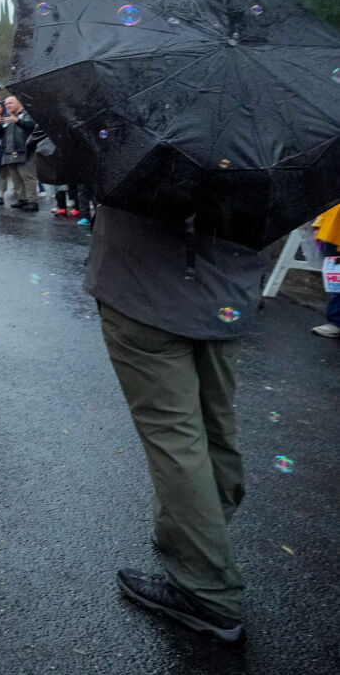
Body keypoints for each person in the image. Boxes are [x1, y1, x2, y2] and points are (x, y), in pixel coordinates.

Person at [86, 205, 269, 644]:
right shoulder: (267, 141)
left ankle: (207, 589)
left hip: (145, 289)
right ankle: (202, 530)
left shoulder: (150, 134)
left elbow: (56, 162)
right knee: (214, 424)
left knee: (174, 439)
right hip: (227, 291)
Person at [0, 96, 39, 211]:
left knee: (27, 175)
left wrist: (18, 121)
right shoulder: (7, 117)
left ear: (19, 103)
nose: (7, 105)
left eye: (10, 103)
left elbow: (33, 128)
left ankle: (32, 201)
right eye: (6, 104)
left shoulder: (27, 114)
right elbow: (0, 134)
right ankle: (22, 198)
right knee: (16, 176)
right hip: (12, 151)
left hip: (25, 150)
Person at [312, 203, 340, 338]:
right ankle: (336, 321)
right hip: (332, 232)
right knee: (336, 280)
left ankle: (336, 321)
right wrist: (319, 225)